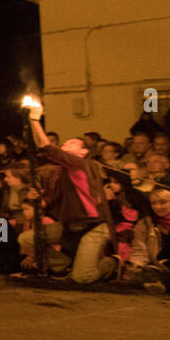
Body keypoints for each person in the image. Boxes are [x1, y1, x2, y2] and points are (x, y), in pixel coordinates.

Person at [24, 100, 117, 283]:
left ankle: (111, 263)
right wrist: (34, 197)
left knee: (83, 277)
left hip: (93, 226)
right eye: (64, 144)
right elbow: (47, 203)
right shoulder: (59, 174)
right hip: (69, 226)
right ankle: (62, 264)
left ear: (82, 152)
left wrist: (35, 120)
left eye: (70, 144)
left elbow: (47, 148)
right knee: (27, 239)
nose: (65, 146)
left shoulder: (81, 165)